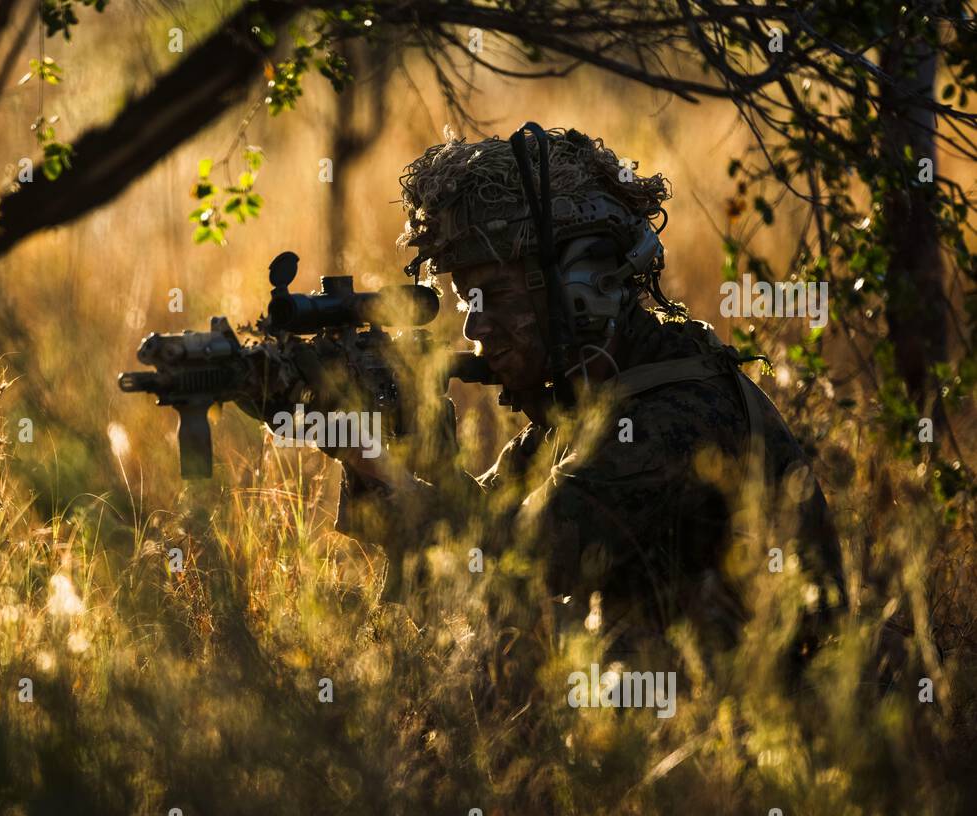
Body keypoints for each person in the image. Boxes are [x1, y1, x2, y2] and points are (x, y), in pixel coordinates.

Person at [324, 127, 845, 677]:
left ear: (583, 290)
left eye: (497, 297)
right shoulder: (585, 407)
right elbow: (473, 528)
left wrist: (387, 469)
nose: (476, 325)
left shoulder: (673, 415)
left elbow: (518, 557)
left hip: (753, 731)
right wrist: (373, 449)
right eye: (465, 302)